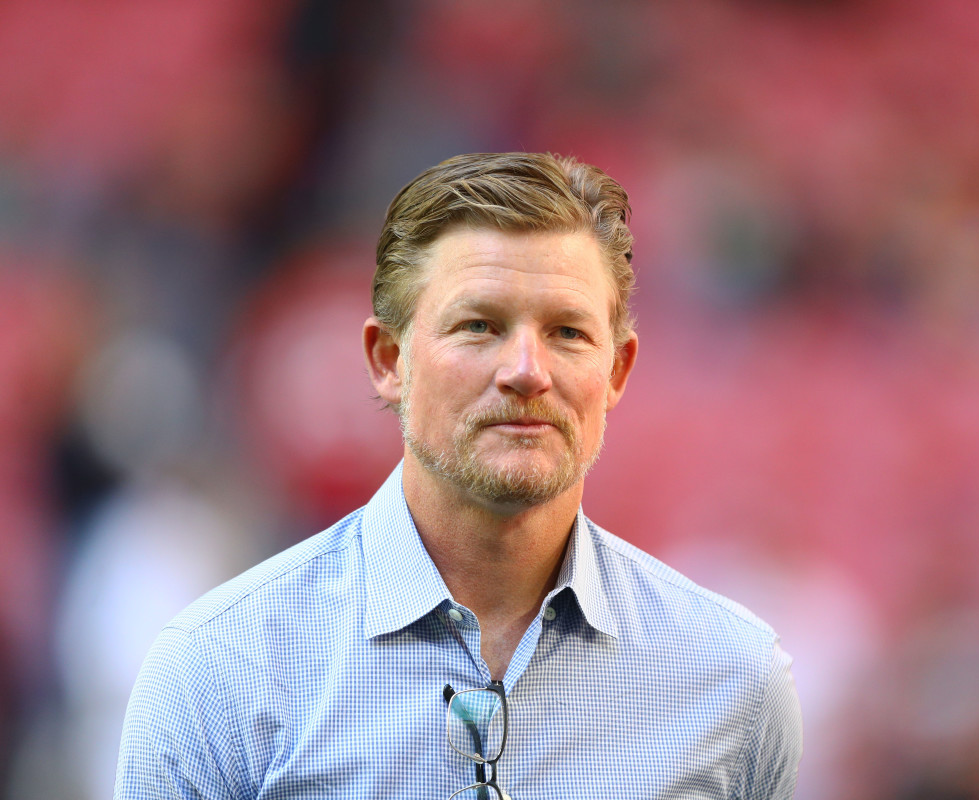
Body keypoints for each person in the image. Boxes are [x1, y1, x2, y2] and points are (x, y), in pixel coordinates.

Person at [115, 152, 802, 799]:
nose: (527, 370)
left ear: (616, 371)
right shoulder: (221, 670)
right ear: (389, 360)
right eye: (479, 325)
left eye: (568, 332)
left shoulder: (734, 680)